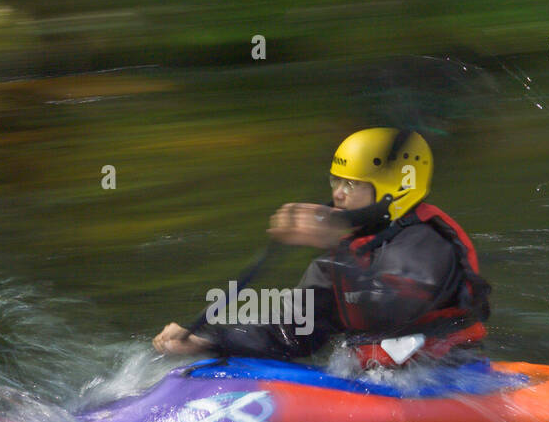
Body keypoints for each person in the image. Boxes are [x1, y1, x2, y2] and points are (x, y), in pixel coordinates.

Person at [153, 128, 491, 368]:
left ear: (393, 190)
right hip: (383, 384)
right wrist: (211, 340)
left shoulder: (427, 242)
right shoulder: (342, 255)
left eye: (352, 184)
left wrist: (334, 244)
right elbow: (293, 332)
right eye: (336, 181)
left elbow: (390, 309)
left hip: (446, 380)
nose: (338, 194)